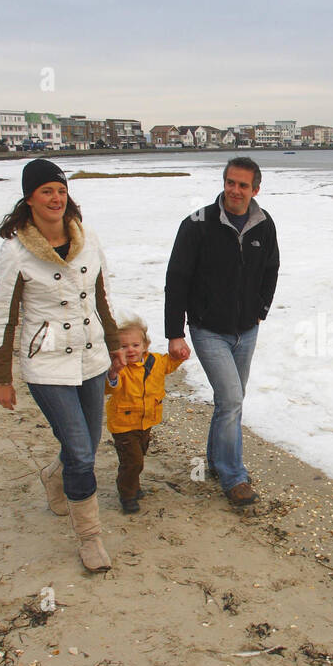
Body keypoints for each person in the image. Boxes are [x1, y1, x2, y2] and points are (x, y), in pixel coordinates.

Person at [0, 158, 127, 572]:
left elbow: (101, 300)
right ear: (30, 198)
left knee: (84, 444)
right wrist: (2, 377)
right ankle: (89, 539)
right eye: (47, 190)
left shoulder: (88, 239)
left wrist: (116, 347)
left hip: (91, 358)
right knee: (83, 455)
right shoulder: (16, 252)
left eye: (61, 190)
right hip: (46, 364)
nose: (56, 197)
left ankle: (55, 475)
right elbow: (5, 317)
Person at [164, 157, 279, 506]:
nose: (235, 190)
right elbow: (177, 278)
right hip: (207, 328)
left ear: (255, 189)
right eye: (230, 182)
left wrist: (260, 310)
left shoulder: (264, 223)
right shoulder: (197, 224)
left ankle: (216, 462)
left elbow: (271, 269)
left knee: (231, 400)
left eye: (243, 185)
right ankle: (234, 477)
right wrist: (175, 332)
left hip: (247, 329)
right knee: (231, 399)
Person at [104, 315, 185, 513]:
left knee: (139, 455)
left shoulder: (155, 361)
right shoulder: (120, 368)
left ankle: (133, 486)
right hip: (123, 424)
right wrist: (113, 373)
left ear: (145, 345)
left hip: (146, 421)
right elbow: (109, 388)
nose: (130, 350)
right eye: (123, 346)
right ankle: (127, 495)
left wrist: (180, 354)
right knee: (132, 461)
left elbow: (169, 364)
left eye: (135, 344)